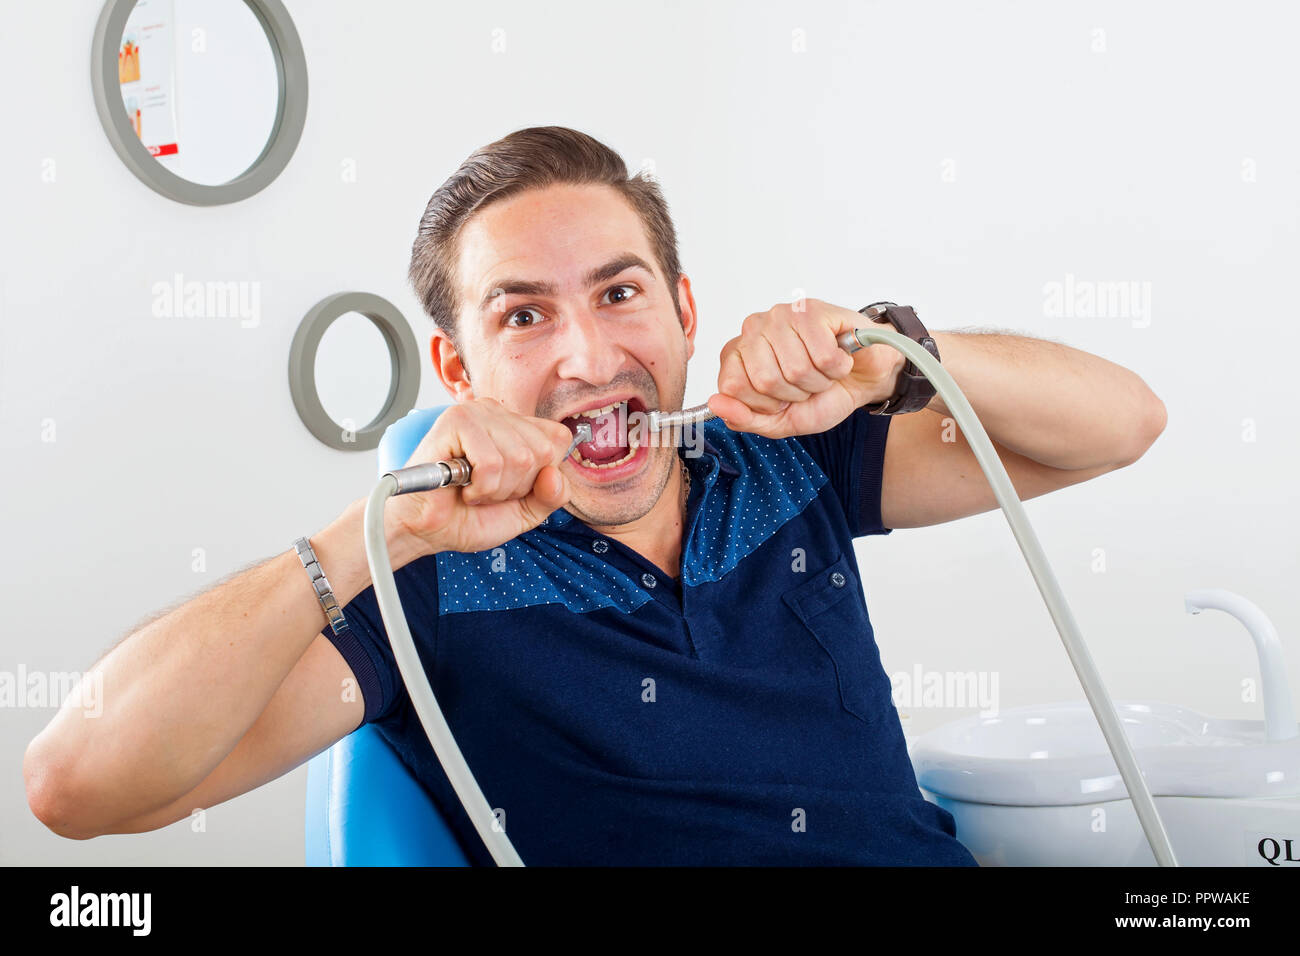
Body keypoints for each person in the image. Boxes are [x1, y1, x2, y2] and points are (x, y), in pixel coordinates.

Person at [25, 126, 1166, 865]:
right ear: (460, 372)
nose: (586, 355)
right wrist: (368, 534)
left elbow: (1123, 423)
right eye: (522, 314)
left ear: (680, 309)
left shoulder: (792, 457)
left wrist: (903, 356)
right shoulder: (421, 585)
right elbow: (79, 786)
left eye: (619, 293)